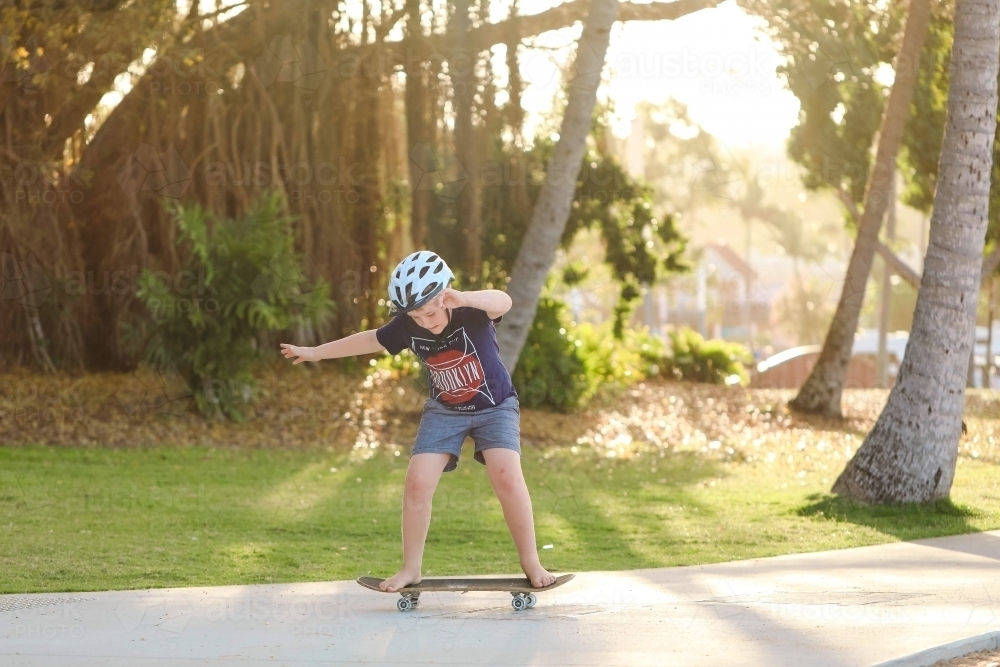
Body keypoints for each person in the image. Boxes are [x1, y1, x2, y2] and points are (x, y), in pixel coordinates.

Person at [280, 250, 556, 592]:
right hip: (445, 411)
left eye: (430, 312)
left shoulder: (471, 309)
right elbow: (368, 340)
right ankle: (411, 568)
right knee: (417, 483)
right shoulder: (409, 325)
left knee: (508, 479)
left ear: (445, 296)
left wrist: (465, 297)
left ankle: (531, 561)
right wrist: (314, 352)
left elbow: (504, 301)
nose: (426, 322)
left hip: (495, 406)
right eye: (417, 317)